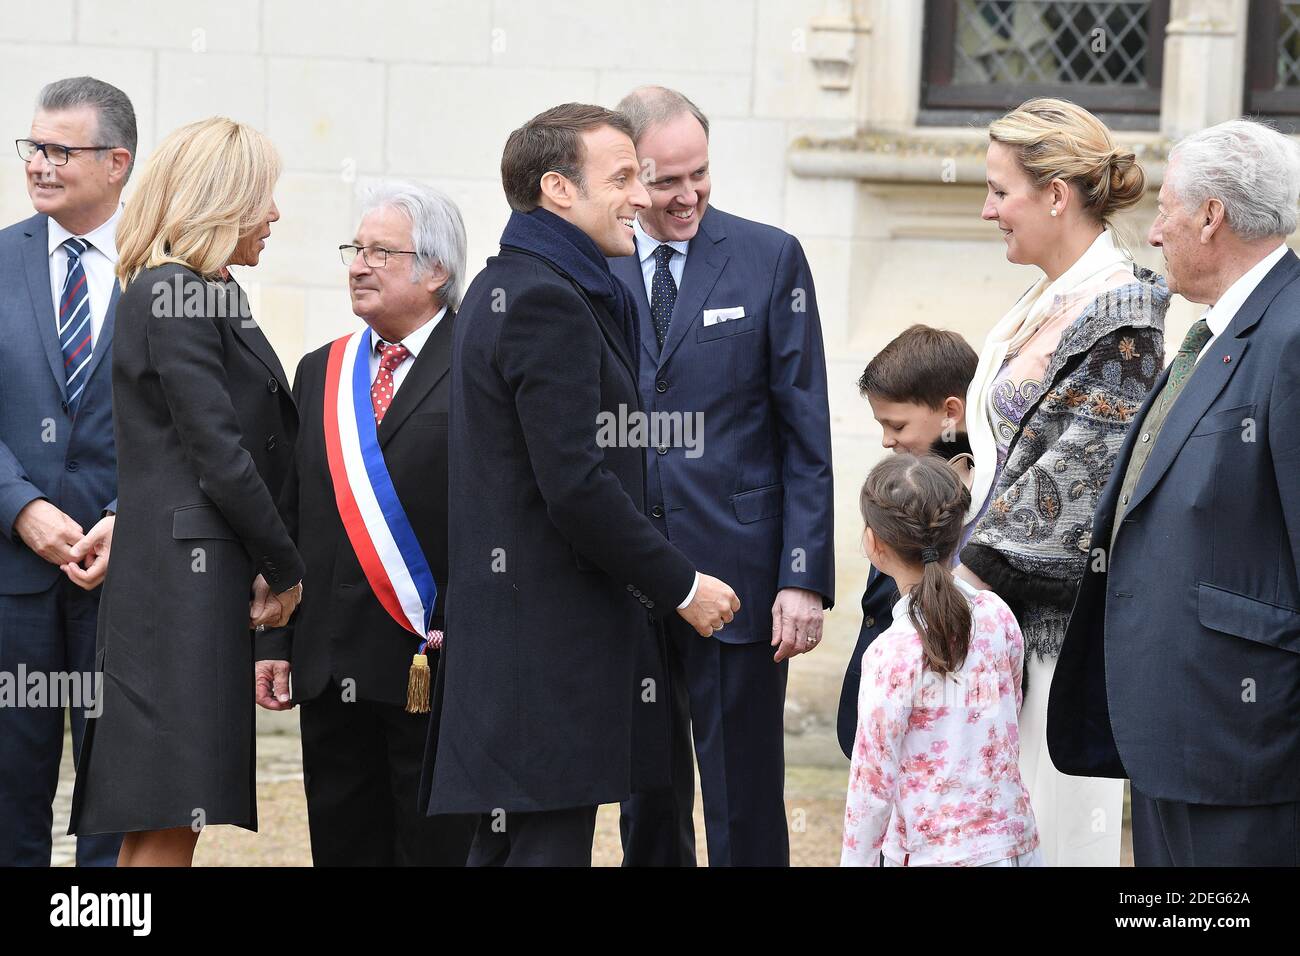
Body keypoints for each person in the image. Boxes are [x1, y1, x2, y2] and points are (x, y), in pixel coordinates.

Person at [419, 103, 740, 867]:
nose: (643, 192)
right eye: (622, 176)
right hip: (544, 653)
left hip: (526, 646)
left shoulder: (537, 285)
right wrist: (683, 585)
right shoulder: (544, 300)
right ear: (558, 190)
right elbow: (576, 486)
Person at [1049, 119, 1300, 867]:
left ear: (1211, 216)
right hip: (1178, 727)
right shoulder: (1215, 332)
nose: (1154, 232)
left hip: (1246, 745)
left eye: (1166, 209)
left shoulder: (1290, 338)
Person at [67, 117, 304, 867]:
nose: (274, 214)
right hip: (181, 595)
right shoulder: (180, 291)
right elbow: (220, 455)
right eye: (263, 196)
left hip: (175, 584)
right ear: (223, 198)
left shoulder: (197, 289)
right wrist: (286, 567)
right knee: (169, 815)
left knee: (163, 818)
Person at [610, 86, 834, 867]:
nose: (687, 196)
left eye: (698, 173)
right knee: (647, 802)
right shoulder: (592, 270)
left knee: (743, 801)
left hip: (741, 573)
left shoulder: (770, 258)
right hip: (630, 580)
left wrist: (802, 577)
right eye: (666, 180)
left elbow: (806, 432)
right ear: (626, 176)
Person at [956, 98, 1167, 865]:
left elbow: (1072, 483)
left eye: (1000, 191)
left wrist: (956, 590)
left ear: (1055, 194)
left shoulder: (1125, 316)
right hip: (992, 612)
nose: (987, 211)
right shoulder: (1041, 297)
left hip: (1052, 632)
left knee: (1050, 834)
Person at [256, 180, 475, 866]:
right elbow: (292, 515)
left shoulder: (483, 363)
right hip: (331, 665)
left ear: (436, 270)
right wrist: (276, 643)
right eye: (356, 248)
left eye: (381, 252)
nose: (357, 264)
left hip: (436, 666)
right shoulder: (323, 369)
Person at [0, 76, 135, 868]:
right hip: (11, 574)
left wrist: (129, 514)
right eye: (34, 148)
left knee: (115, 793)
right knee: (9, 788)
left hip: (124, 581)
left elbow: (196, 428)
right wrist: (20, 506)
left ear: (117, 162)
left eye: (62, 150)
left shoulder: (170, 274)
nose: (41, 165)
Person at [842, 453, 1040, 867]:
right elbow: (1009, 715)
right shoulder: (997, 614)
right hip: (1011, 843)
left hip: (933, 852)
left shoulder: (889, 653)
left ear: (874, 542)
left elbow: (871, 785)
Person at [835, 325, 978, 760]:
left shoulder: (980, 483)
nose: (886, 439)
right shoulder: (911, 472)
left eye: (896, 424)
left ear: (950, 412)